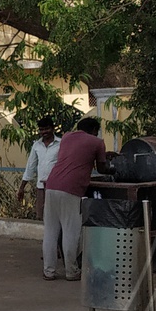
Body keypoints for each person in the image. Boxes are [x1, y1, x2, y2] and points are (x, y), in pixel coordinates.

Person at [42, 116, 108, 281]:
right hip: (71, 189)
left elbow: (77, 154)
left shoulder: (66, 137)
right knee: (70, 231)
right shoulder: (97, 142)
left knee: (50, 231)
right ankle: (71, 271)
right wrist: (108, 163)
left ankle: (48, 271)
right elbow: (101, 168)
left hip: (51, 185)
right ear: (94, 130)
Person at [17, 116, 61, 222]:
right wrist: (22, 187)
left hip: (57, 187)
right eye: (41, 129)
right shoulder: (36, 145)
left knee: (56, 216)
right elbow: (31, 166)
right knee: (40, 216)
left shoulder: (61, 143)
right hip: (41, 186)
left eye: (46, 129)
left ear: (52, 128)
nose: (44, 132)